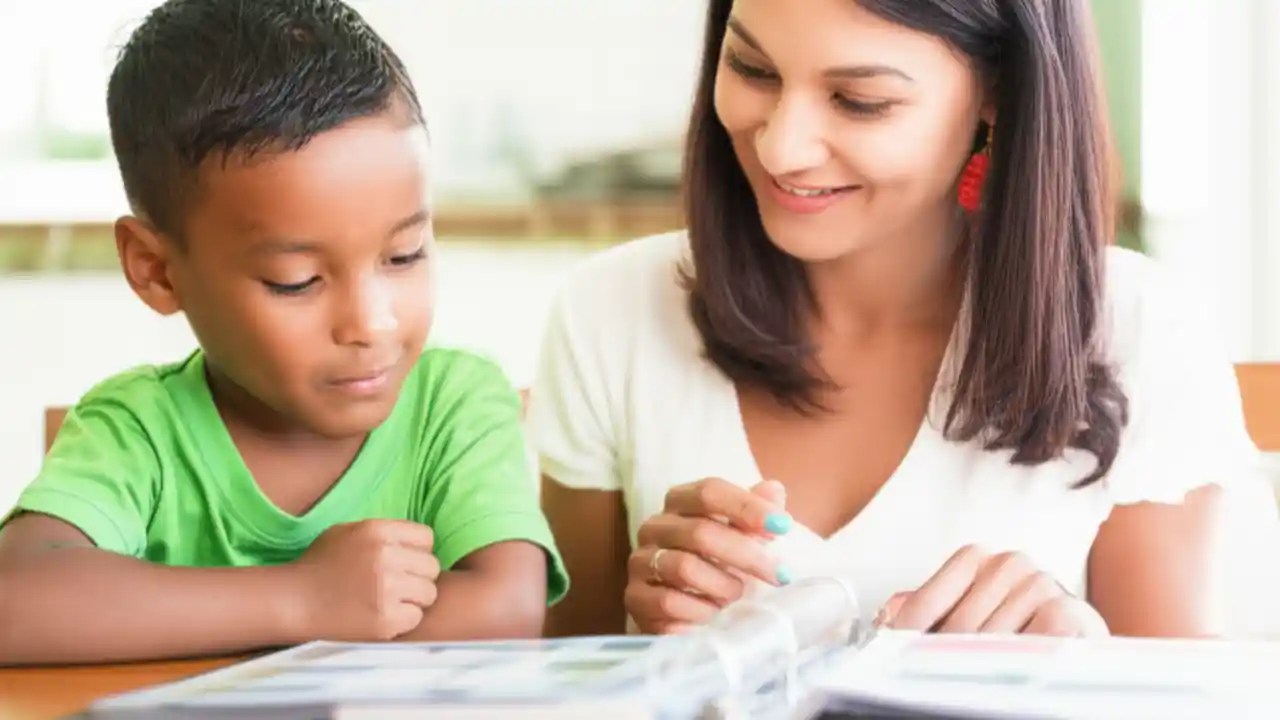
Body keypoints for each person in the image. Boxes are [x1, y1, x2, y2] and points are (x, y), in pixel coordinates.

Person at [532, 0, 1278, 640]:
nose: (781, 146)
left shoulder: (1138, 329)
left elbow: (1178, 696)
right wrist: (645, 625)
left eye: (860, 101)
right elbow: (559, 680)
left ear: (999, 95)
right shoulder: (613, 310)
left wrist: (1077, 655)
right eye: (754, 70)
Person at [0, 0, 566, 666]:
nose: (370, 323)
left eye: (404, 254)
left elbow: (506, 609)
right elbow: (14, 603)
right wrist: (301, 598)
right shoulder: (136, 430)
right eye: (296, 281)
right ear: (157, 271)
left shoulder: (455, 404)